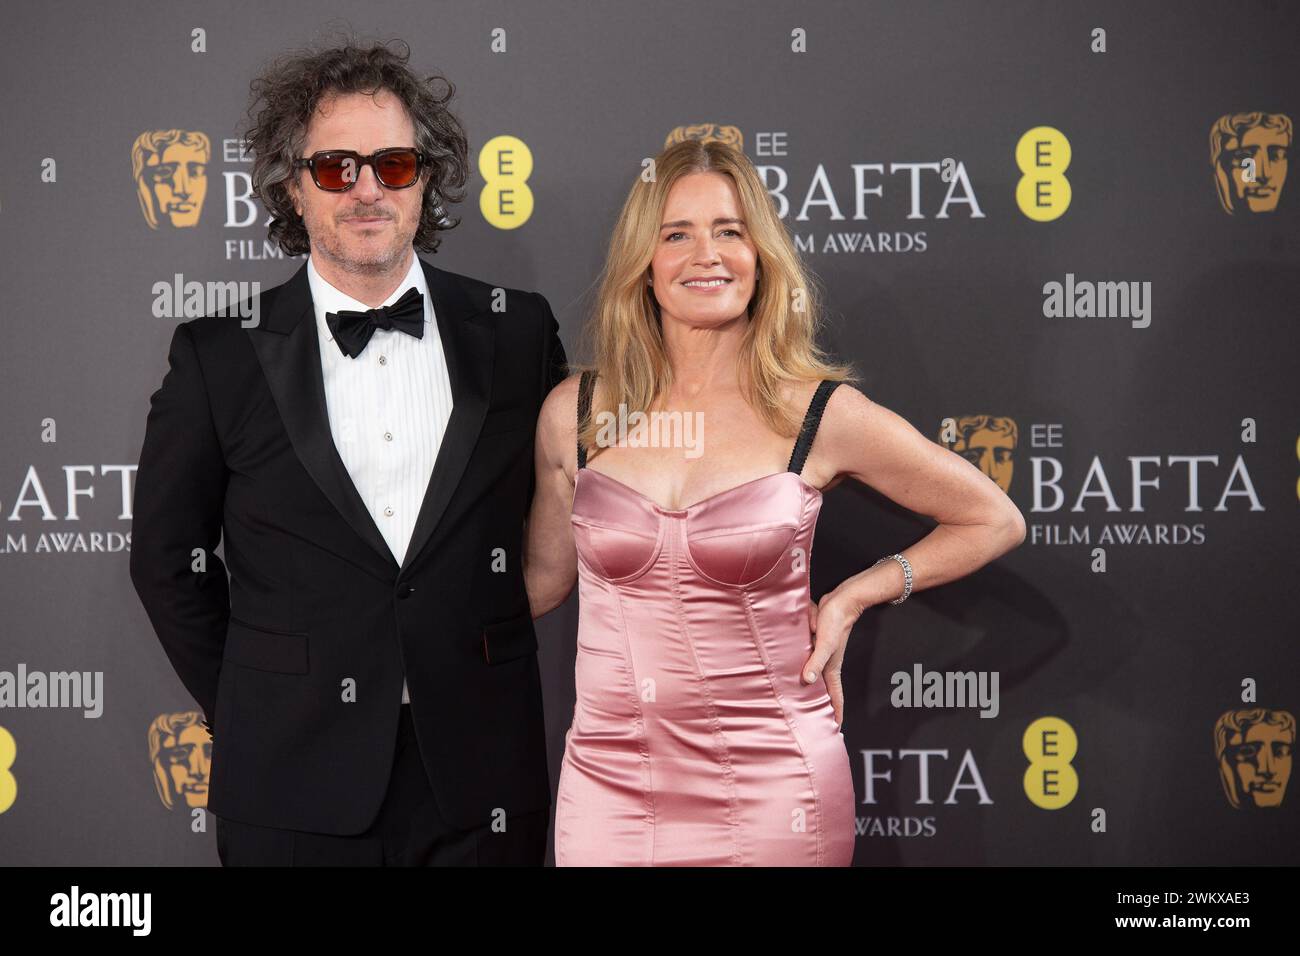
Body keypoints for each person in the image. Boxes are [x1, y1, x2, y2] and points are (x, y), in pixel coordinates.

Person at [524, 139, 1026, 865]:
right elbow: (540, 581)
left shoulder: (817, 414)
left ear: (761, 256)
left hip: (772, 784)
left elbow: (994, 518)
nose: (708, 255)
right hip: (609, 785)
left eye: (730, 231)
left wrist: (855, 596)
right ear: (644, 263)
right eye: (677, 234)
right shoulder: (576, 414)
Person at [130, 39, 566, 866]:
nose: (367, 189)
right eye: (335, 168)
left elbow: (566, 518)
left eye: (393, 164)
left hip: (482, 778)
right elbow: (164, 561)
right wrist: (257, 700)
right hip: (291, 783)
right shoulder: (218, 355)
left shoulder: (518, 329)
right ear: (293, 186)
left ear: (425, 178)